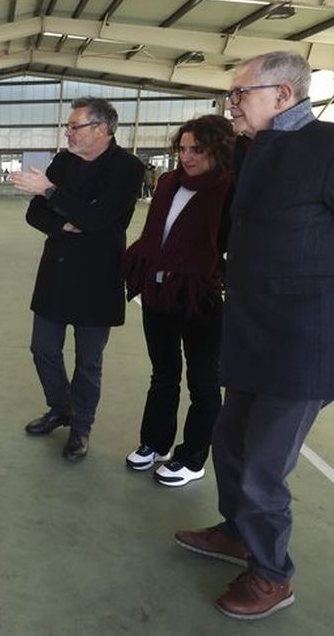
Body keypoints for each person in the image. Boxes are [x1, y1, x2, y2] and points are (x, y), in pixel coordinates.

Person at [174, 52, 334, 620]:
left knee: (264, 463)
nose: (231, 105)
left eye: (240, 94)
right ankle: (238, 533)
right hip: (256, 329)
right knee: (229, 441)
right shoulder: (253, 150)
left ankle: (271, 575)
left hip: (310, 337)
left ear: (283, 94)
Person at [10, 97, 145, 462]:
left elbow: (100, 220)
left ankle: (81, 427)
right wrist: (66, 223)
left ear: (101, 129)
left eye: (74, 126)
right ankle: (61, 407)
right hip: (57, 271)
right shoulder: (63, 162)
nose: (67, 133)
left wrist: (51, 192)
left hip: (98, 278)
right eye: (68, 127)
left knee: (88, 362)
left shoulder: (128, 168)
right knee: (43, 348)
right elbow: (35, 215)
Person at [121, 115, 236, 487]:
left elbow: (234, 243)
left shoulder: (229, 188)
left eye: (197, 150)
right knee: (163, 373)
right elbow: (155, 234)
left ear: (217, 150)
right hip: (159, 292)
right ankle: (155, 443)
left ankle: (192, 457)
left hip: (201, 297)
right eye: (182, 149)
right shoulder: (169, 183)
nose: (187, 157)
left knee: (203, 382)